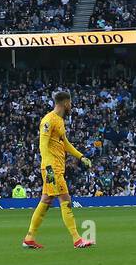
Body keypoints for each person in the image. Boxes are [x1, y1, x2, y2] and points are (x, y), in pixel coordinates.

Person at [21, 90, 94, 249]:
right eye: (70, 103)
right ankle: (77, 239)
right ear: (65, 103)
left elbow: (65, 143)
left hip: (56, 167)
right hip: (51, 168)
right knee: (65, 199)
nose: (71, 106)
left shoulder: (59, 121)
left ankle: (29, 237)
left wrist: (81, 156)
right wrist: (49, 167)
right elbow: (42, 144)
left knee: (46, 200)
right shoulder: (48, 120)